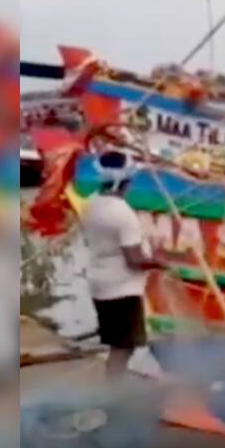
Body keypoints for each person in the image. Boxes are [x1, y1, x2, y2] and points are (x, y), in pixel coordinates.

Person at [77, 151, 164, 380]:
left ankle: (114, 383)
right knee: (124, 346)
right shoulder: (123, 214)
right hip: (121, 288)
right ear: (125, 181)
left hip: (99, 281)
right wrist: (158, 262)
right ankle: (113, 390)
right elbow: (134, 260)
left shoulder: (91, 203)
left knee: (120, 343)